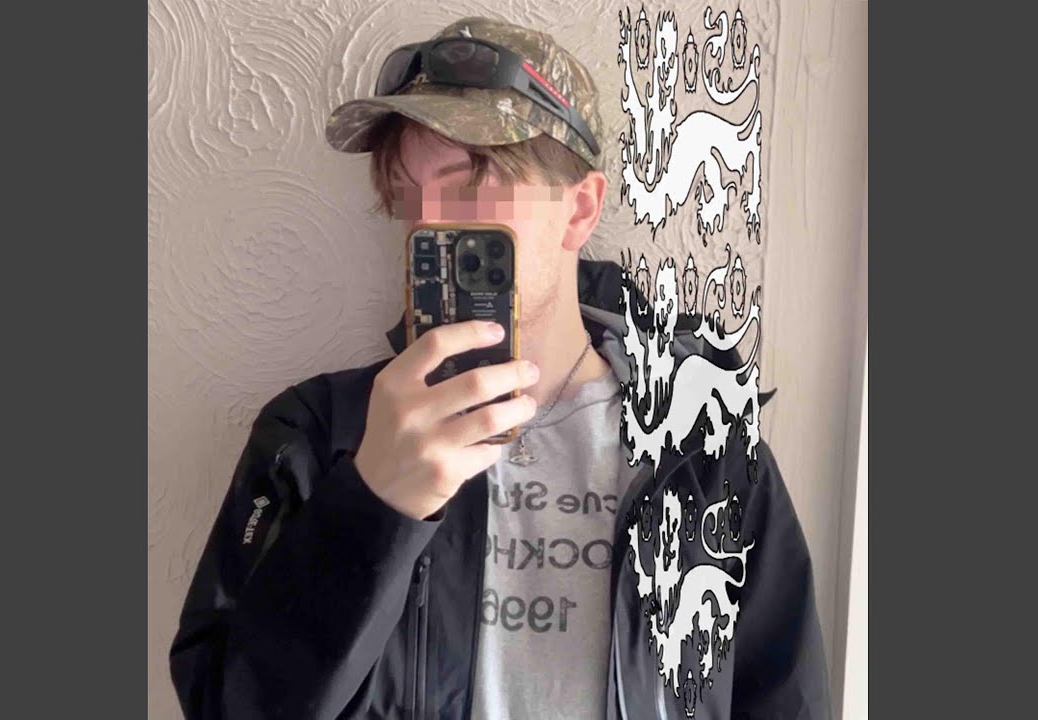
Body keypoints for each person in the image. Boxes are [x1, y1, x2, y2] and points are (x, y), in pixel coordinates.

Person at [169, 16, 830, 720]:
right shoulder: (315, 435)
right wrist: (374, 504)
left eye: (468, 185)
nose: (429, 225)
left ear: (579, 210)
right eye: (407, 196)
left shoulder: (705, 452)